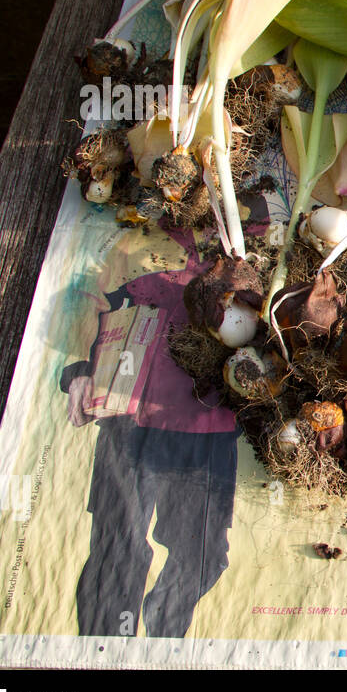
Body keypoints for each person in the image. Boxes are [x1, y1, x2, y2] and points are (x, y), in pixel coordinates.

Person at [61, 221, 241, 639]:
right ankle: (101, 652)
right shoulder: (136, 236)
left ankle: (166, 639)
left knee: (204, 556)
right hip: (128, 417)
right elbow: (85, 295)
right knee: (116, 547)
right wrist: (78, 367)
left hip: (208, 423)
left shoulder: (253, 234)